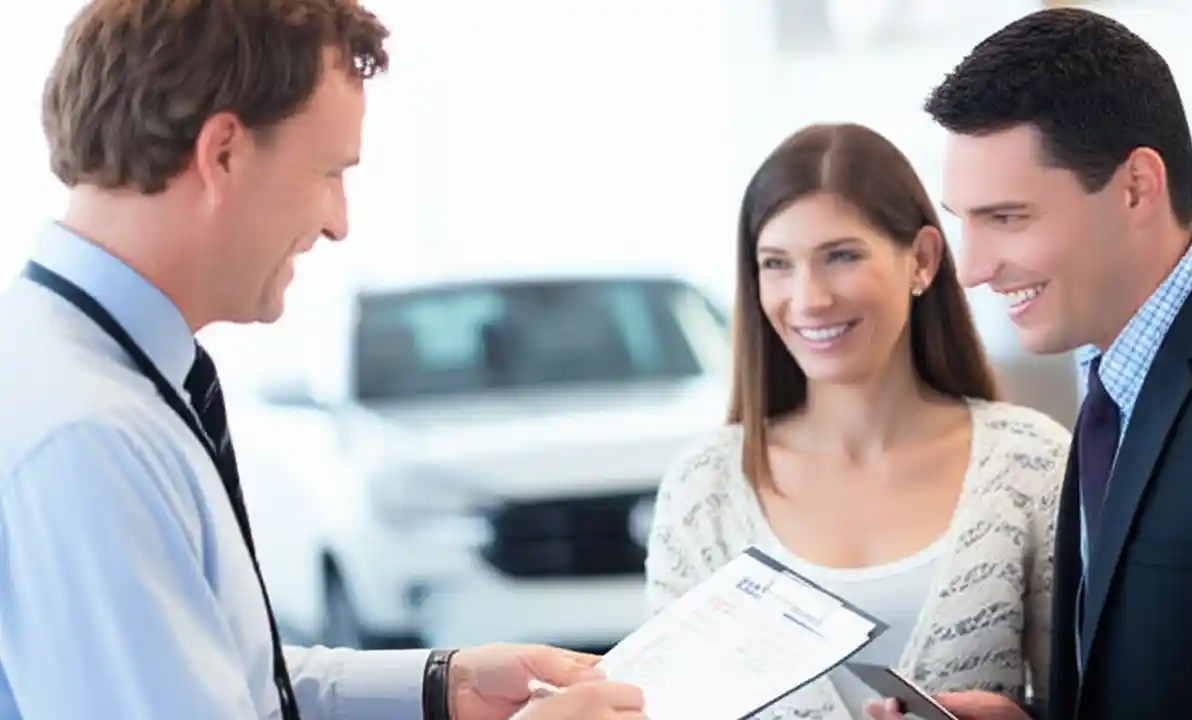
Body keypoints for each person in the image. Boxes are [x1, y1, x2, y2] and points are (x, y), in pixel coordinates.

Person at [0, 2, 643, 719]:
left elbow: (225, 682)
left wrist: (439, 687)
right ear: (224, 155)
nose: (339, 222)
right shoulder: (89, 438)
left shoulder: (78, 372)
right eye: (330, 172)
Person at [867, 7, 1192, 720]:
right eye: (966, 220)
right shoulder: (1114, 378)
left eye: (1007, 217)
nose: (970, 269)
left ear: (1136, 188)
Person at [644, 122, 1071, 719]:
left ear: (921, 260)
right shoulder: (704, 487)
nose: (809, 298)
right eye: (777, 264)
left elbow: (1097, 700)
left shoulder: (1034, 464)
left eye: (840, 256)